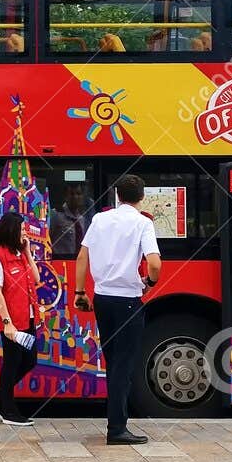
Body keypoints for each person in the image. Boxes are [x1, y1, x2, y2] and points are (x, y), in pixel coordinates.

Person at [75, 174, 161, 444]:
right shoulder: (143, 223)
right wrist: (149, 282)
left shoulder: (99, 219)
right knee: (124, 365)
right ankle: (117, 429)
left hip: (102, 299)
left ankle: (116, 423)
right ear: (142, 197)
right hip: (127, 300)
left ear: (117, 195)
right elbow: (155, 263)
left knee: (113, 362)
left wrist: (80, 292)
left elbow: (82, 256)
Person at [0, 211, 40, 428]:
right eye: (22, 230)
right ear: (11, 231)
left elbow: (35, 279)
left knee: (29, 360)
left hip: (29, 317)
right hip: (13, 322)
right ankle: (8, 409)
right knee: (12, 363)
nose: (25, 233)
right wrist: (7, 323)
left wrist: (27, 252)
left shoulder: (19, 254)